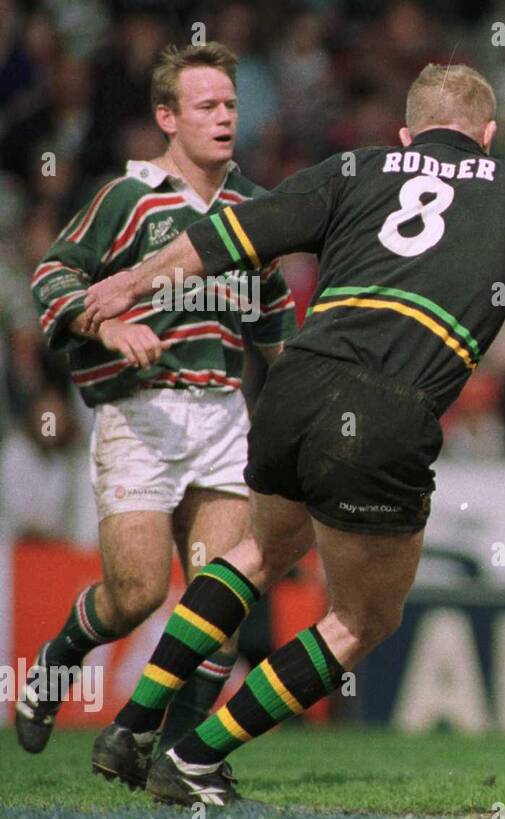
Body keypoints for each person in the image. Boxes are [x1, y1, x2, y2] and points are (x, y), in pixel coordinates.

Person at [83, 63, 505, 806]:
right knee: (364, 616)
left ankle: (131, 722)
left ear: (408, 133)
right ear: (489, 136)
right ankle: (194, 754)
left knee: (259, 550)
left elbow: (228, 235)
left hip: (295, 386)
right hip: (385, 413)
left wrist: (127, 283)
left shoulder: (355, 166)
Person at [19, 42, 295, 762]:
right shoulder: (128, 199)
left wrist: (299, 384)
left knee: (220, 606)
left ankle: (179, 758)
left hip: (220, 417)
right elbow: (51, 275)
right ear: (167, 116)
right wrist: (106, 323)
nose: (224, 117)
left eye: (231, 104)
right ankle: (55, 662)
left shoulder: (253, 208)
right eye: (207, 106)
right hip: (139, 417)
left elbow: (270, 316)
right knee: (135, 594)